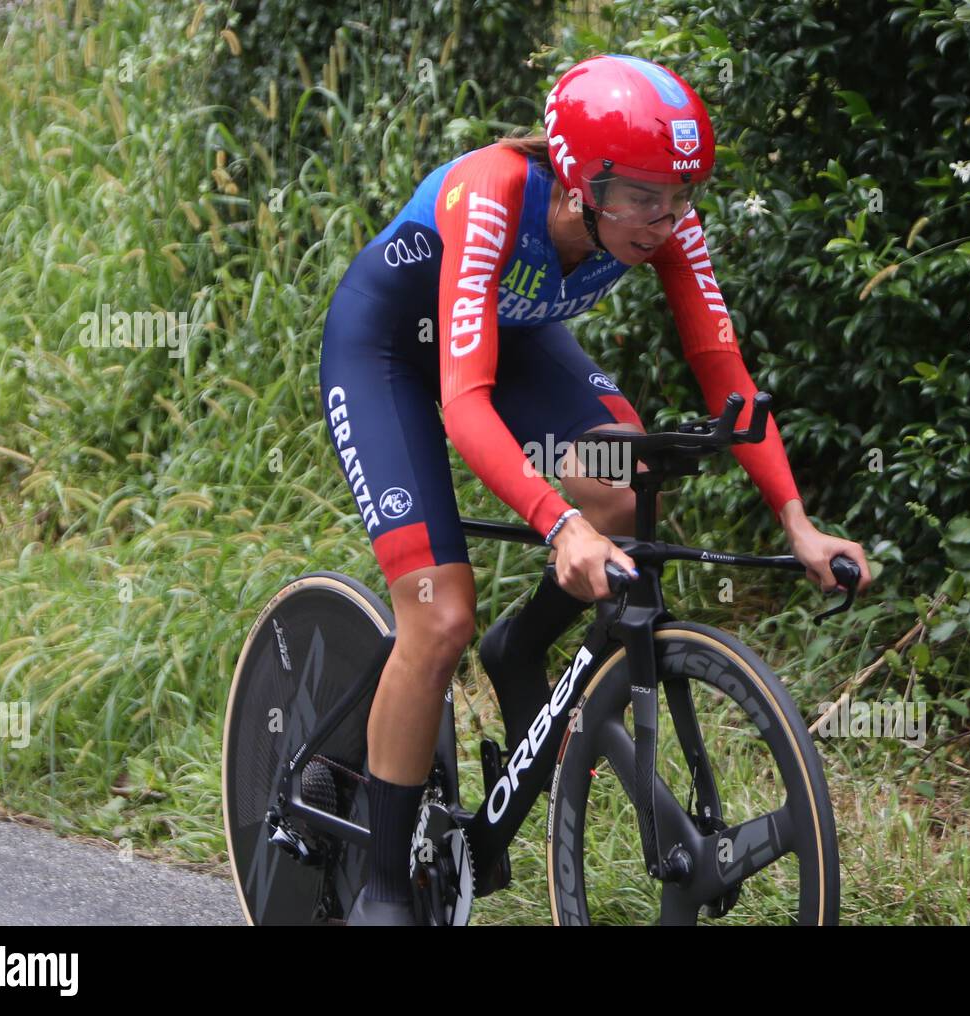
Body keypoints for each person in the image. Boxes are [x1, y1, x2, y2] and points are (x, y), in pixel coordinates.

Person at [319, 53, 872, 925]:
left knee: (629, 476)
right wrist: (556, 524)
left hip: (512, 338)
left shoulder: (664, 223)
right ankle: (384, 888)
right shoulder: (494, 191)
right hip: (388, 347)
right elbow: (465, 405)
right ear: (580, 182)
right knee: (438, 613)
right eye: (643, 197)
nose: (663, 219)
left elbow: (719, 366)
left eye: (681, 194)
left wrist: (798, 523)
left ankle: (522, 646)